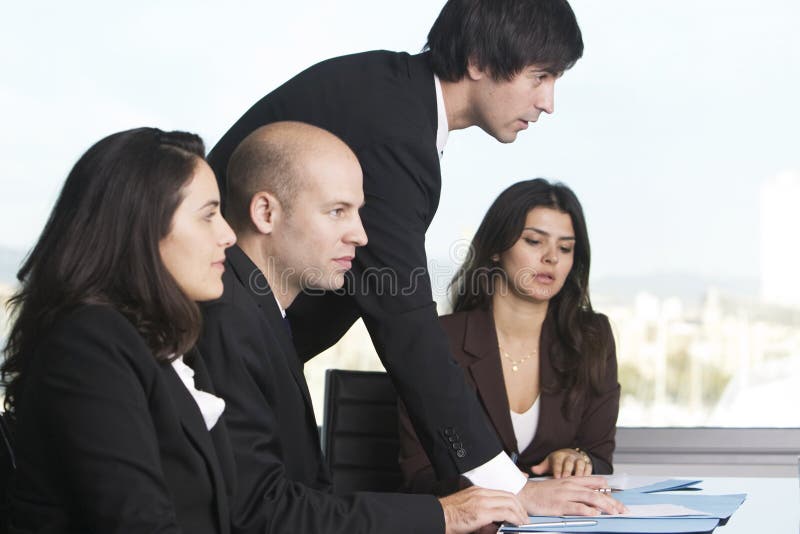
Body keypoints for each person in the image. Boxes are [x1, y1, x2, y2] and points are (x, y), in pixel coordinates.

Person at [206, 0, 614, 510]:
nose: (548, 101)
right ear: (478, 61)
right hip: (208, 350)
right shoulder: (392, 129)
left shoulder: (398, 101)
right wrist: (513, 489)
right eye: (540, 77)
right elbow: (403, 320)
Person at [197, 121, 536, 534]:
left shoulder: (257, 312)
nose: (359, 235)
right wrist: (446, 515)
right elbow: (260, 511)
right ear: (265, 212)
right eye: (337, 211)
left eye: (359, 212)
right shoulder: (227, 321)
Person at [0, 128, 238, 533]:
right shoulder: (88, 345)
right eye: (208, 215)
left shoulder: (159, 343)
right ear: (143, 227)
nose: (228, 235)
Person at [398, 179, 620, 495]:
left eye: (565, 247)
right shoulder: (440, 339)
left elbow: (599, 457)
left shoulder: (592, 337)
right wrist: (517, 492)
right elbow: (420, 472)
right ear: (496, 250)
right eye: (534, 241)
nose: (551, 258)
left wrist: (578, 459)